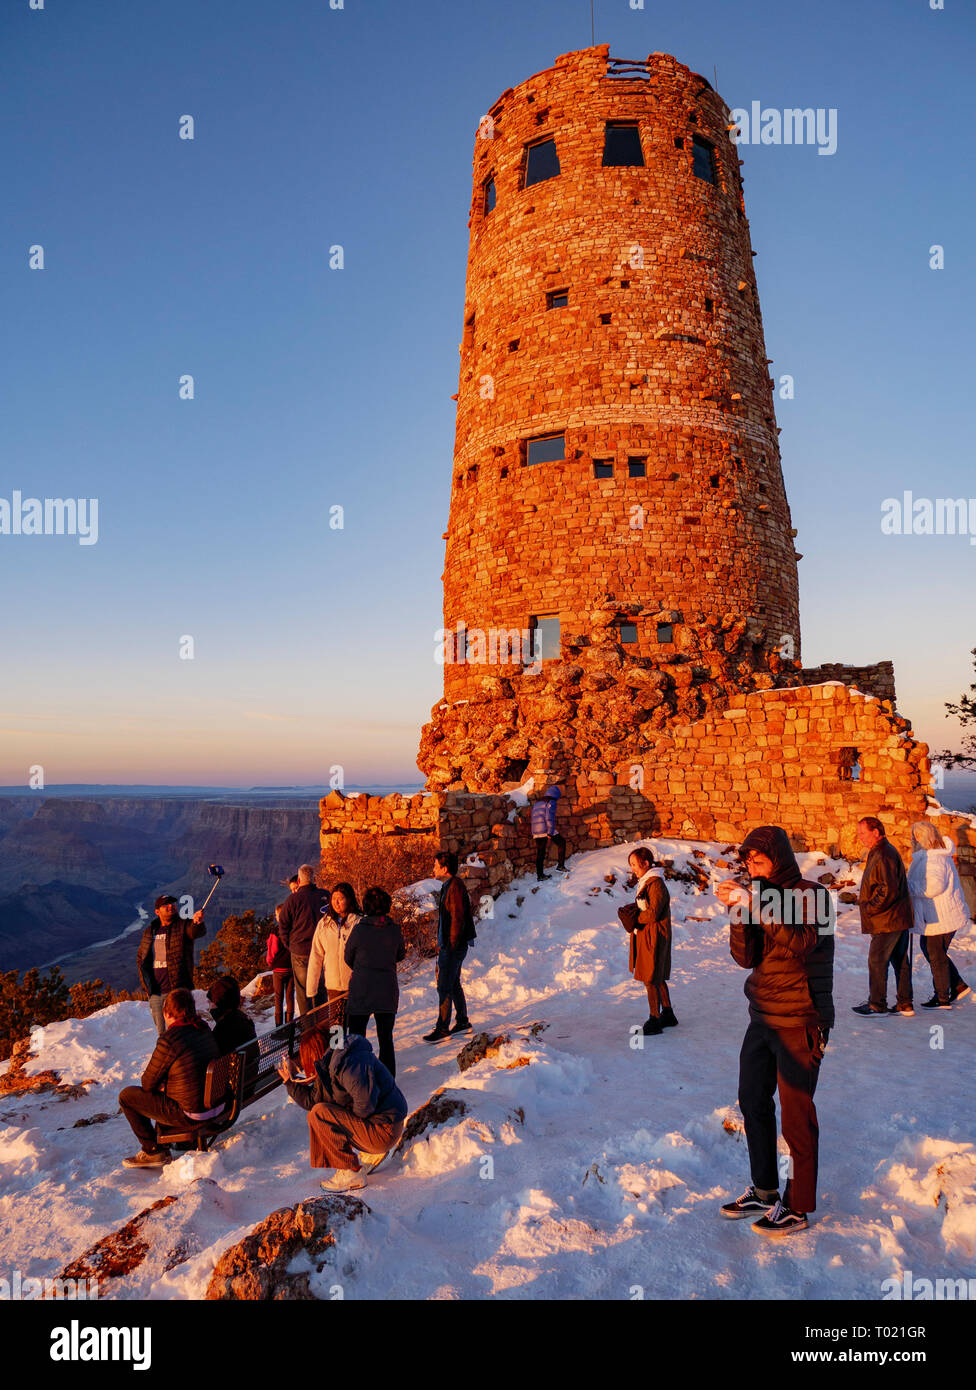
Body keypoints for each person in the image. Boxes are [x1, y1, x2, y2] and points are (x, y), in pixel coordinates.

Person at [716, 825, 834, 1236]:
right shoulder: (758, 896)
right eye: (747, 861)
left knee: (796, 1117)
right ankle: (765, 1189)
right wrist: (737, 911)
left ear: (779, 858)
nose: (752, 866)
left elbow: (801, 942)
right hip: (762, 1016)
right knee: (752, 1101)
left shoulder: (811, 894)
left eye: (759, 860)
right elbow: (745, 957)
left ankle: (798, 1207)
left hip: (801, 1018)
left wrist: (755, 903)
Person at [277, 1024, 408, 1192]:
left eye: (305, 1058)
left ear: (314, 1054)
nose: (303, 1064)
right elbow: (313, 1100)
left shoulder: (348, 1064)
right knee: (318, 1111)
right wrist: (290, 1081)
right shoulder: (332, 1062)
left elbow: (366, 1104)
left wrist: (346, 1122)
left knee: (319, 1115)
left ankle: (351, 1172)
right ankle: (368, 1153)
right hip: (383, 1125)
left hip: (384, 1130)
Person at [118, 988, 220, 1167]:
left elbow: (147, 1084)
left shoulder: (170, 1039)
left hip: (192, 1113)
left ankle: (153, 1151)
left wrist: (164, 1084)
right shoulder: (203, 1028)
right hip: (215, 1105)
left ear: (166, 1012)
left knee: (127, 1096)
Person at [853, 816, 915, 1017]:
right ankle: (905, 1003)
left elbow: (887, 890)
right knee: (899, 960)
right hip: (895, 917)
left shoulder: (883, 853)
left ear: (876, 832)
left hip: (887, 919)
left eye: (863, 832)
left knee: (877, 960)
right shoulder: (881, 851)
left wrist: (869, 908)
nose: (860, 837)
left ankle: (877, 1005)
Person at [907, 821, 971, 1009]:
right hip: (937, 914)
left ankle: (942, 996)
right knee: (931, 949)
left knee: (934, 952)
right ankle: (958, 986)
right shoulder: (928, 856)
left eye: (916, 836)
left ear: (924, 837)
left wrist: (909, 888)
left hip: (942, 915)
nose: (913, 839)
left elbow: (933, 887)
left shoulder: (934, 859)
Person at [343, 887, 405, 1076]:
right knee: (385, 1038)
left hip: (362, 988)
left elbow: (348, 957)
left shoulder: (359, 930)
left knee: (356, 1036)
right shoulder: (394, 930)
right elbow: (400, 955)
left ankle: (357, 1076)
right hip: (387, 989)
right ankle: (388, 1079)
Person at [617, 846, 676, 1036]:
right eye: (631, 865)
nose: (633, 868)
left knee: (651, 977)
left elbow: (653, 913)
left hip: (655, 935)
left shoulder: (655, 883)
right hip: (649, 934)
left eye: (635, 864)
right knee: (655, 975)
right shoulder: (647, 882)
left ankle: (654, 1019)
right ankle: (667, 1013)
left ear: (645, 863)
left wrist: (635, 918)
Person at [423, 851, 477, 1043]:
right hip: (453, 944)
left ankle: (443, 1028)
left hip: (453, 946)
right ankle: (462, 1022)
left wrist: (450, 946)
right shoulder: (451, 885)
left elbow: (457, 918)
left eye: (436, 865)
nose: (433, 869)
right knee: (453, 983)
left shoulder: (454, 887)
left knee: (444, 986)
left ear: (445, 869)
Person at [136, 894, 207, 1036]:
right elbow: (141, 958)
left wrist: (198, 922)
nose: (171, 906)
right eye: (166, 905)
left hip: (178, 991)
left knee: (186, 1031)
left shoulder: (183, 925)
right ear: (157, 911)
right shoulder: (150, 931)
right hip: (156, 993)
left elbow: (195, 931)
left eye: (173, 903)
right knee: (163, 1034)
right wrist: (147, 986)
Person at [276, 865, 328, 1016]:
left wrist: (290, 946)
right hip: (322, 952)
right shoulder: (325, 896)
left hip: (300, 952)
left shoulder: (292, 899)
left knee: (303, 993)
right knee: (320, 990)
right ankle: (322, 1027)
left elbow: (283, 925)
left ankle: (307, 1030)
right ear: (314, 878)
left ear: (298, 880)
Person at [307, 883, 363, 1006]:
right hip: (333, 986)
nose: (336, 903)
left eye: (341, 898)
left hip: (355, 984)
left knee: (354, 1023)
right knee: (336, 1024)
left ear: (349, 899)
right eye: (333, 899)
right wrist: (311, 987)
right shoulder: (324, 924)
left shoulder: (359, 922)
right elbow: (316, 956)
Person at [207, 975, 257, 1055]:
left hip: (231, 1066)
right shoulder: (244, 1019)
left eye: (211, 1002)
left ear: (220, 1004)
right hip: (249, 1066)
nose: (209, 1005)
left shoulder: (223, 1030)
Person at [531, 786, 567, 881]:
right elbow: (549, 818)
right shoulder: (551, 802)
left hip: (536, 830)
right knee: (562, 842)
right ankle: (560, 866)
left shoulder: (538, 803)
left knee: (540, 853)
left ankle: (540, 875)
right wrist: (550, 833)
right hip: (545, 829)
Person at [267, 910, 295, 1027]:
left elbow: (272, 950)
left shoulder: (275, 931)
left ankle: (278, 1026)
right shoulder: (293, 928)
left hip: (278, 969)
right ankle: (289, 1024)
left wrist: (270, 962)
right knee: (289, 996)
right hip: (291, 967)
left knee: (278, 997)